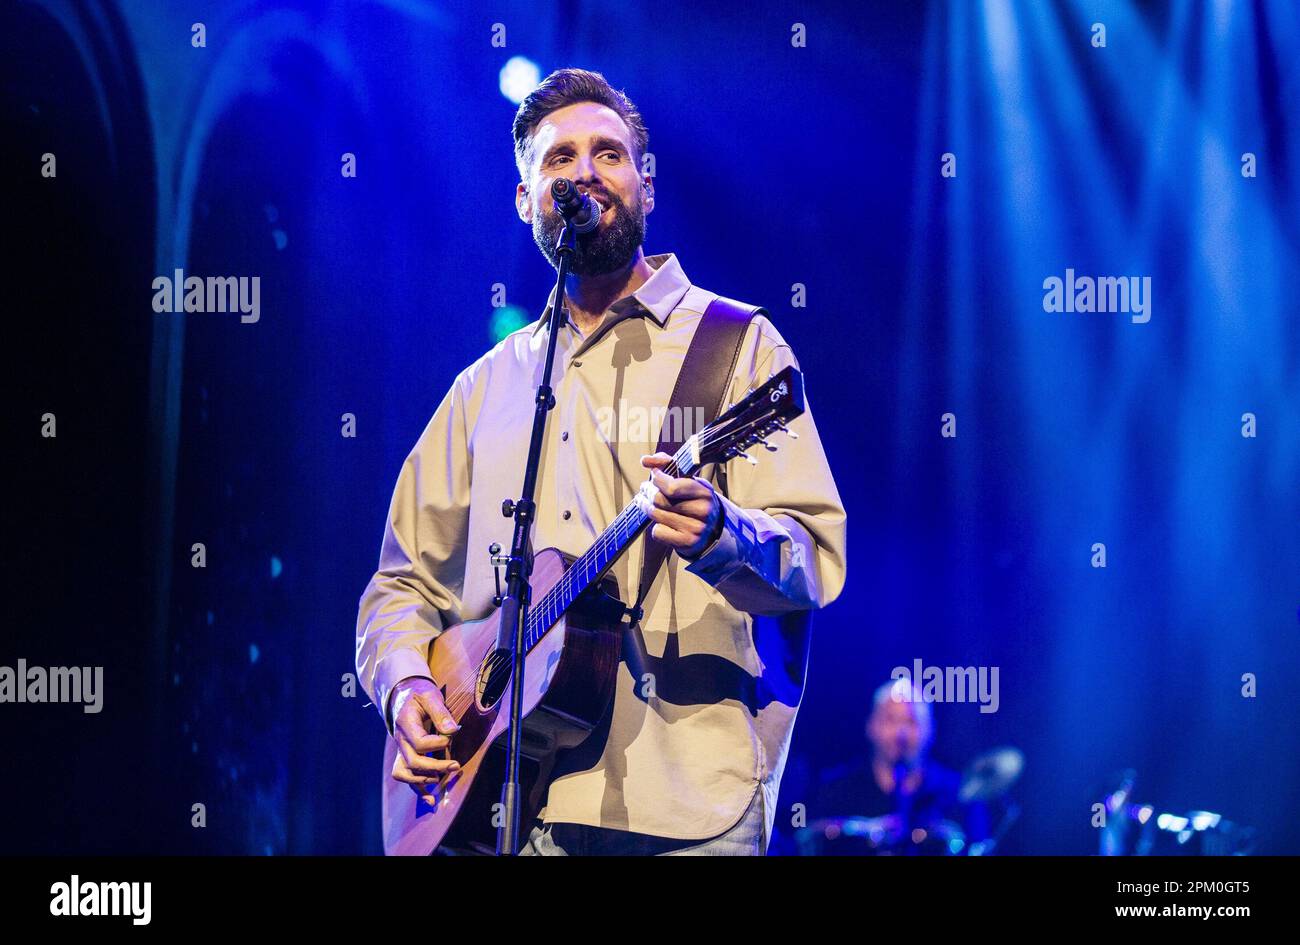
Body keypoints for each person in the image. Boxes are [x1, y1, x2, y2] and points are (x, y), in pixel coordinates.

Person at [355, 68, 846, 855]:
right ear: (526, 200)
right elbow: (400, 583)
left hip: (690, 805)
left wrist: (724, 531)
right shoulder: (486, 387)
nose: (585, 172)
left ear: (646, 187)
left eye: (609, 155)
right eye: (560, 159)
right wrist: (407, 682)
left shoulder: (735, 346)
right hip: (519, 808)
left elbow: (814, 559)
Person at [808, 679, 989, 854]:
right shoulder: (836, 791)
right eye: (890, 720)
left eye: (911, 722)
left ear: (931, 729)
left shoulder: (960, 795)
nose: (900, 733)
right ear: (871, 726)